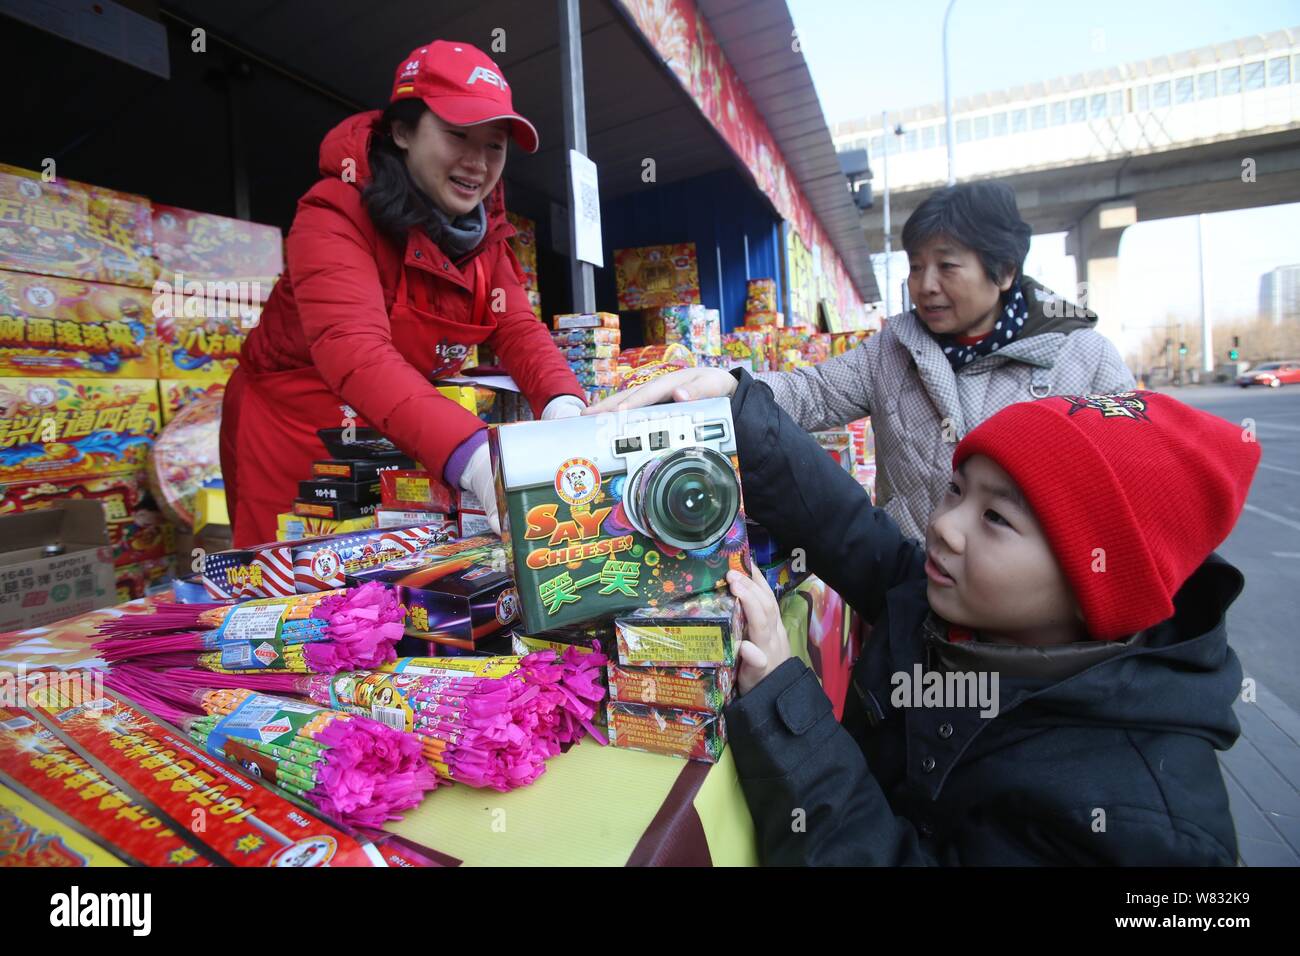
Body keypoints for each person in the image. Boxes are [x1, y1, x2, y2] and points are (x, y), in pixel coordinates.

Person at [718, 370, 1259, 865]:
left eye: (996, 517)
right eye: (956, 490)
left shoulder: (1138, 829)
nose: (945, 526)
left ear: (1095, 584)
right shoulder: (971, 610)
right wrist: (736, 415)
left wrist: (785, 707)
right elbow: (854, 535)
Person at [587, 182, 1135, 541]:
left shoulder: (1080, 359)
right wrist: (729, 385)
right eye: (916, 266)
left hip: (1036, 618)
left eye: (947, 266)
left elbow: (1135, 485)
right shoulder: (892, 350)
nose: (925, 286)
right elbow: (810, 393)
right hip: (913, 592)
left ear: (1005, 271)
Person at [221, 40, 584, 545]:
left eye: (494, 144)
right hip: (291, 429)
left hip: (398, 424)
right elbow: (356, 350)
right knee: (293, 590)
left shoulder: (483, 236)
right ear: (402, 131)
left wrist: (564, 405)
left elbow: (517, 328)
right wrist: (473, 455)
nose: (477, 163)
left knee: (389, 589)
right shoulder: (335, 212)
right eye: (458, 135)